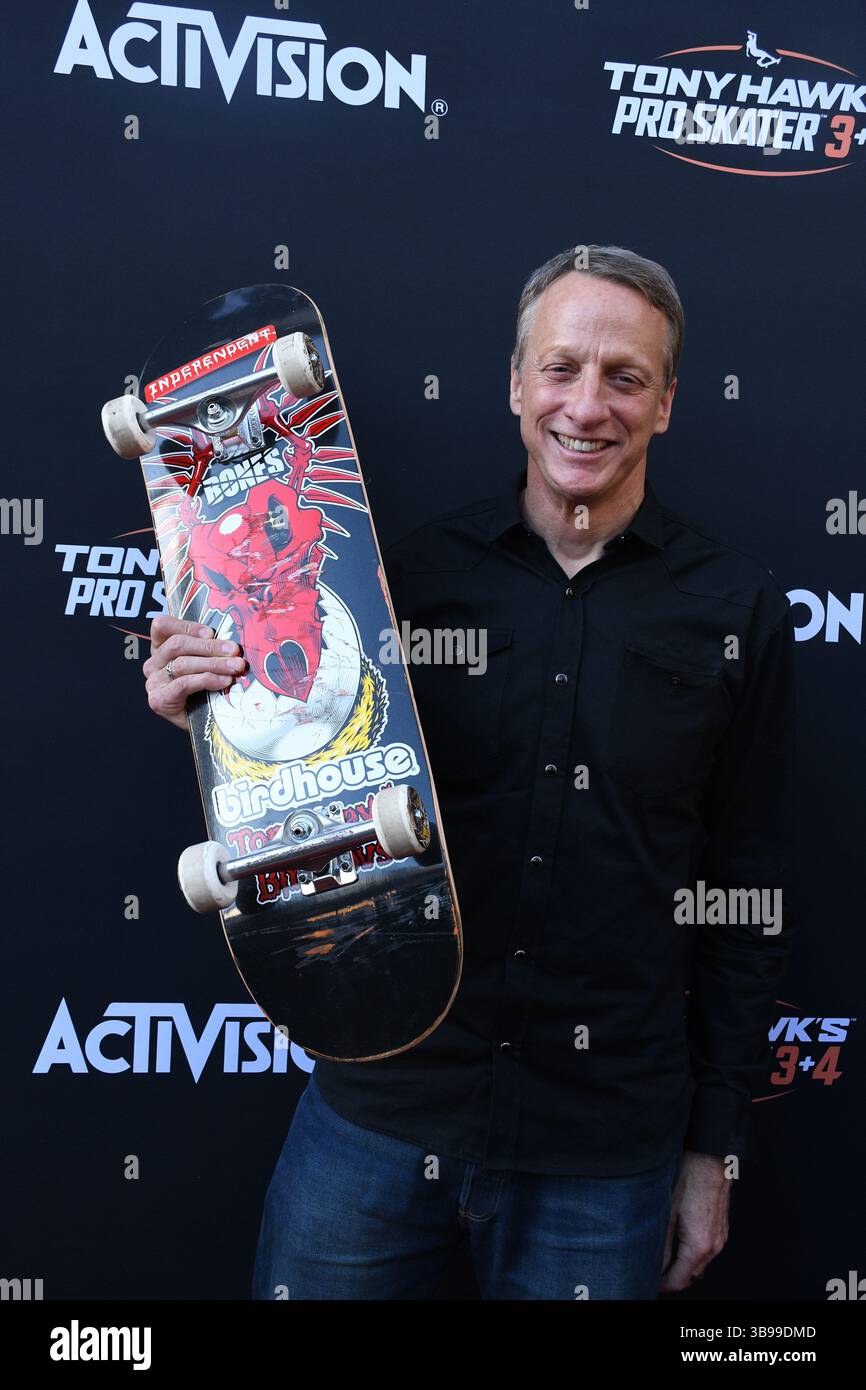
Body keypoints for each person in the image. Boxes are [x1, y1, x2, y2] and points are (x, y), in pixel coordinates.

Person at [144, 245, 796, 1300]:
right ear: (512, 383)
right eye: (559, 368)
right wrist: (206, 701)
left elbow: (745, 894)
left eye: (623, 377)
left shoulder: (733, 610)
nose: (586, 405)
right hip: (384, 1106)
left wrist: (710, 1148)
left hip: (605, 1144)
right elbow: (297, 773)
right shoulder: (402, 578)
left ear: (666, 403)